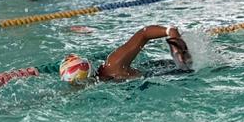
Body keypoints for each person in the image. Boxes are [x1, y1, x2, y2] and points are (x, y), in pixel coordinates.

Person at [58, 24, 192, 83]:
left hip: (164, 71)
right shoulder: (98, 82)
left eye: (76, 84)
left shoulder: (113, 64)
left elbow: (144, 33)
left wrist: (172, 35)